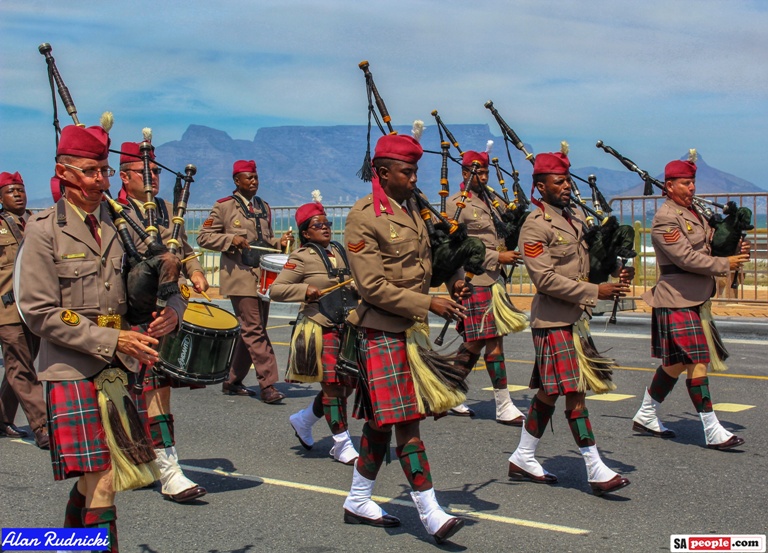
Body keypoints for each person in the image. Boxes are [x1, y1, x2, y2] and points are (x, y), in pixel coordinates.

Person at [15, 123, 182, 552]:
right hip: (71, 367)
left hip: (117, 369)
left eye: (104, 171)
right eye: (91, 171)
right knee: (104, 478)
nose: (101, 181)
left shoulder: (123, 223)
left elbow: (162, 276)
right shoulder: (42, 230)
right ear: (64, 172)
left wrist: (171, 313)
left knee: (97, 482)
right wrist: (115, 340)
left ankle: (66, 545)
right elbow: (39, 311)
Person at [341, 132, 469, 544]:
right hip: (381, 328)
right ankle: (430, 512)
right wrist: (428, 303)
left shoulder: (415, 207)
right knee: (407, 423)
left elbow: (431, 258)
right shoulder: (363, 217)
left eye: (415, 171)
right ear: (382, 173)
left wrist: (456, 279)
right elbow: (371, 285)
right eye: (407, 171)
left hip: (411, 329)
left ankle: (358, 498)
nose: (415, 179)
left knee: (383, 421)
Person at [508, 148, 632, 496]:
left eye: (567, 180)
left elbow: (586, 262)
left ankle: (522, 456)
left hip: (574, 319)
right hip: (552, 320)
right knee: (575, 393)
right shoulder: (535, 226)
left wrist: (613, 266)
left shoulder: (575, 216)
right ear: (540, 187)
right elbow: (544, 280)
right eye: (558, 181)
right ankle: (595, 469)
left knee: (549, 392)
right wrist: (596, 290)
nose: (566, 186)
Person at [631, 156, 750, 450]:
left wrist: (733, 244)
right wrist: (725, 263)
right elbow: (685, 258)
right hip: (676, 298)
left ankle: (646, 414)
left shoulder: (695, 213)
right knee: (697, 360)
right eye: (686, 183)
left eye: (693, 182)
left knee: (675, 364)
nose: (692, 188)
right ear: (669, 186)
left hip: (696, 297)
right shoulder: (665, 218)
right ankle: (712, 429)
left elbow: (710, 246)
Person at [118, 141, 208, 502]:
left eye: (155, 171)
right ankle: (135, 460)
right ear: (124, 177)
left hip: (162, 312)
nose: (153, 177)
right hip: (123, 314)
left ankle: (169, 470)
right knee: (121, 394)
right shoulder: (112, 211)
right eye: (145, 172)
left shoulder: (169, 210)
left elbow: (184, 252)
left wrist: (197, 271)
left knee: (158, 391)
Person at [270, 194, 359, 465]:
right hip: (320, 327)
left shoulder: (341, 250)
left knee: (347, 386)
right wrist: (304, 290)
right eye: (318, 225)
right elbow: (276, 289)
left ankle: (304, 419)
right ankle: (342, 443)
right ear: (306, 232)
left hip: (349, 327)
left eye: (327, 223)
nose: (325, 228)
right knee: (332, 386)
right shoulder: (301, 257)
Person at [197, 160, 292, 403]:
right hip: (240, 277)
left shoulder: (264, 207)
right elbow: (204, 237)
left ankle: (232, 379)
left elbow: (267, 240)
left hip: (262, 277)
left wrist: (280, 243)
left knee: (250, 330)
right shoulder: (224, 208)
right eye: (248, 178)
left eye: (256, 178)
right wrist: (231, 240)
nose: (253, 181)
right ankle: (268, 384)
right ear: (236, 181)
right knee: (254, 329)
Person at [447, 148, 526, 424]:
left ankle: (449, 389)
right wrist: (496, 256)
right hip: (474, 278)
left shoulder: (492, 200)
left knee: (475, 341)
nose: (482, 176)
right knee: (493, 341)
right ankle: (503, 405)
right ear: (465, 173)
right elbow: (457, 247)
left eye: (485, 172)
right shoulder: (455, 204)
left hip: (495, 279)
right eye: (477, 172)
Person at [0, 171, 48, 449]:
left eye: (20, 189)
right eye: (10, 190)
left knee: (22, 364)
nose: (18, 194)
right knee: (21, 367)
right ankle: (41, 425)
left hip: (34, 307)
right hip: (6, 310)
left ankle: (3, 416)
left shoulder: (36, 222)